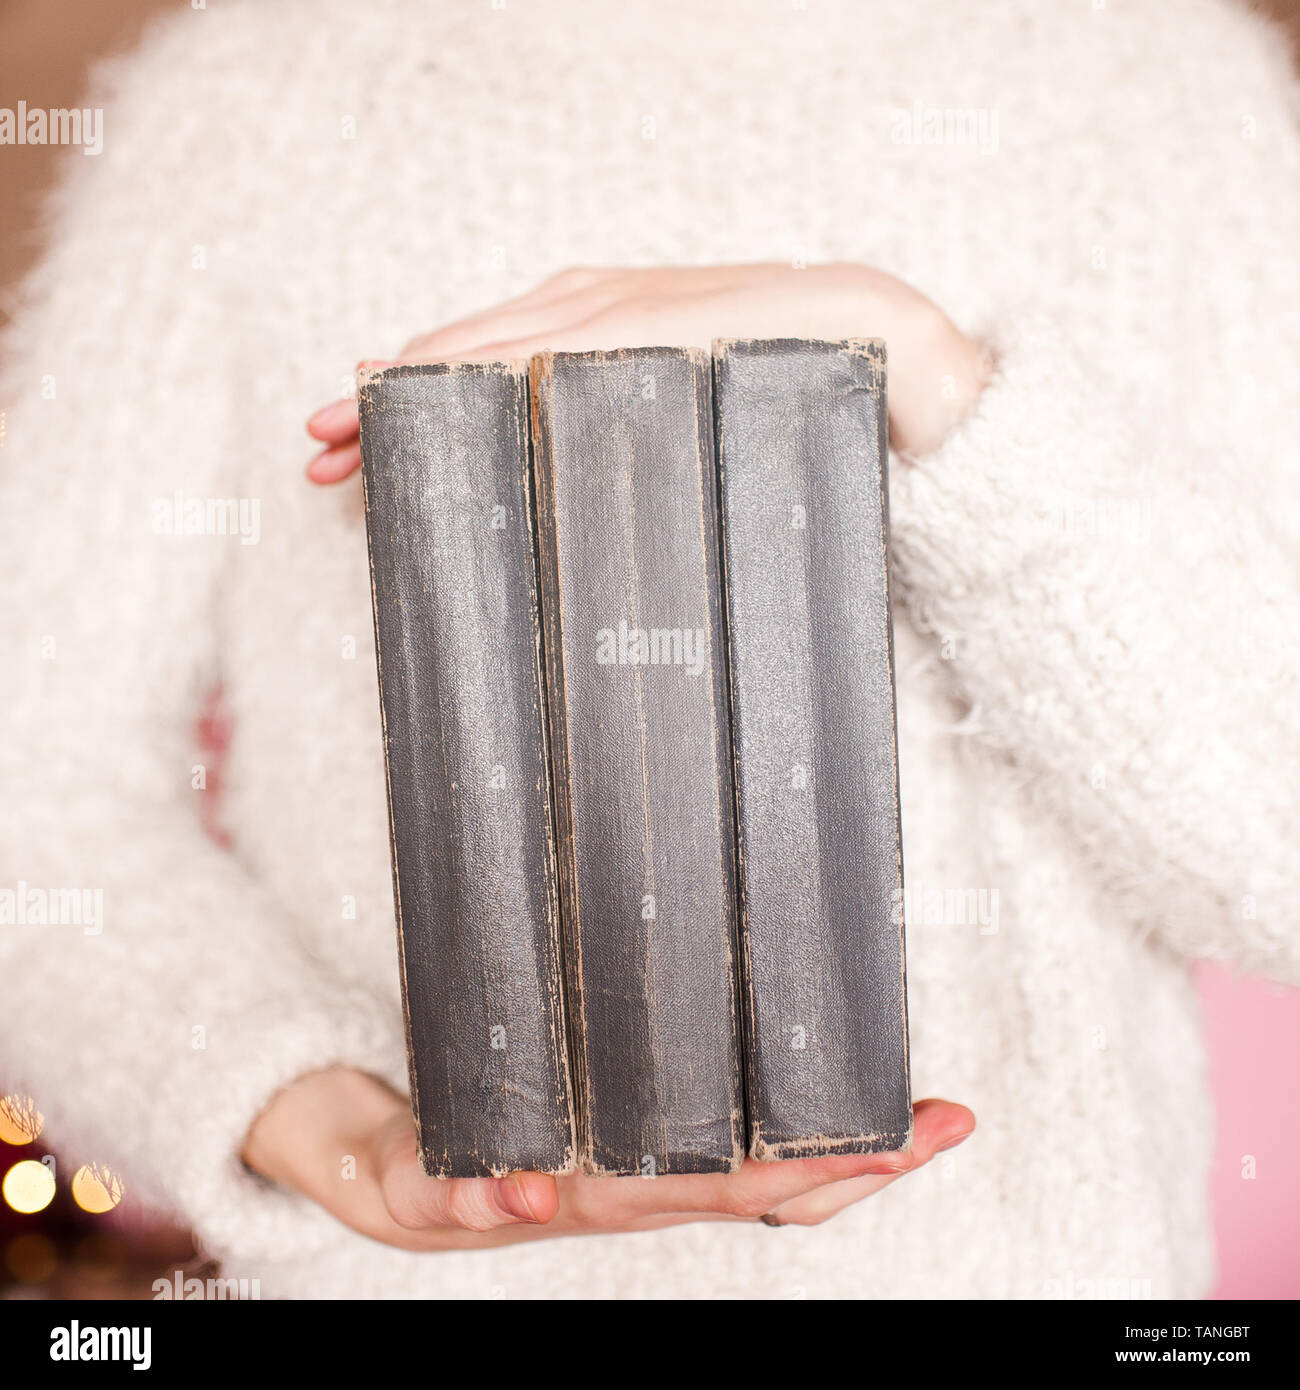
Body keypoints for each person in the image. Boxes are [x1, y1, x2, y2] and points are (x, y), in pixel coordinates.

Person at [1, 0, 1296, 1299]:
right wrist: (323, 1116)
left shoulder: (1159, 83)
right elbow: (34, 785)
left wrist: (938, 380)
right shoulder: (247, 104)